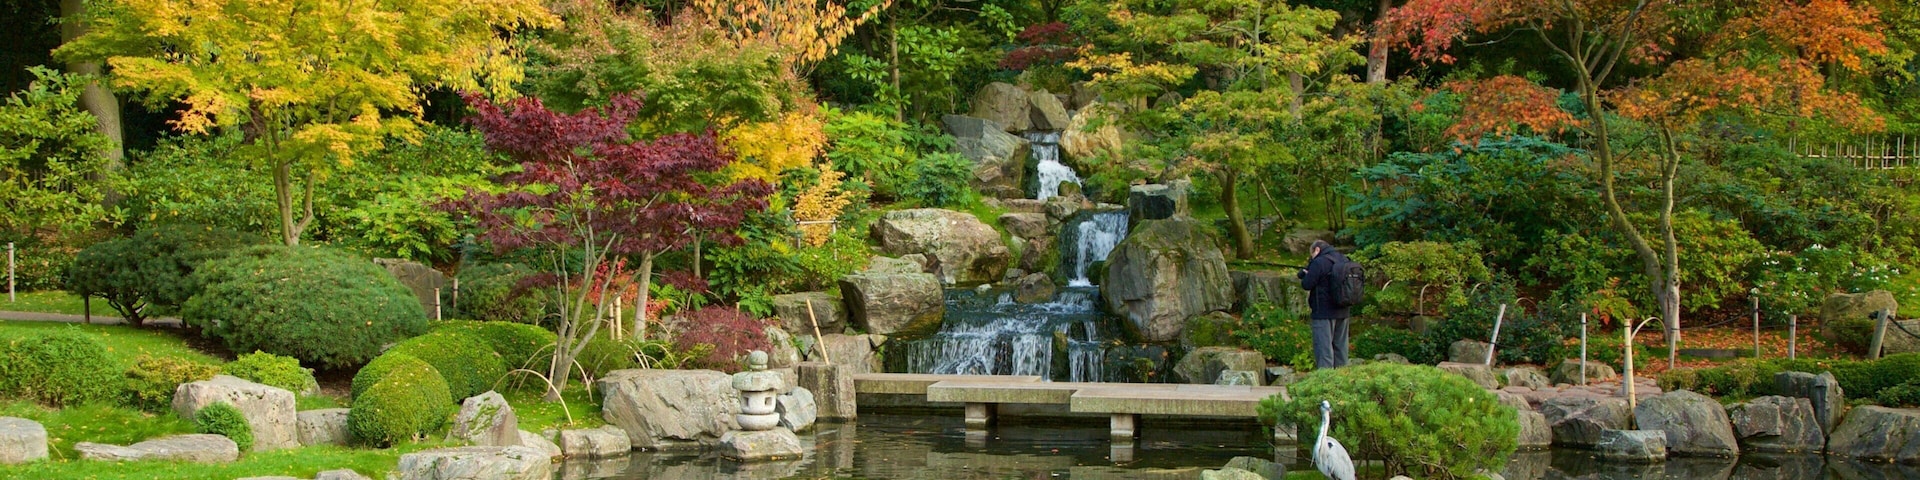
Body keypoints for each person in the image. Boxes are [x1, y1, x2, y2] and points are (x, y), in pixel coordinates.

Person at [1298, 240, 1350, 369]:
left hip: (1323, 312)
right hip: (1343, 310)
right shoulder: (1344, 259)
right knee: (1341, 349)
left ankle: (1324, 383)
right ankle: (1342, 381)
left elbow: (1306, 284)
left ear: (1316, 250)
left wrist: (1307, 271)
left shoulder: (1319, 262)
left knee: (1324, 349)